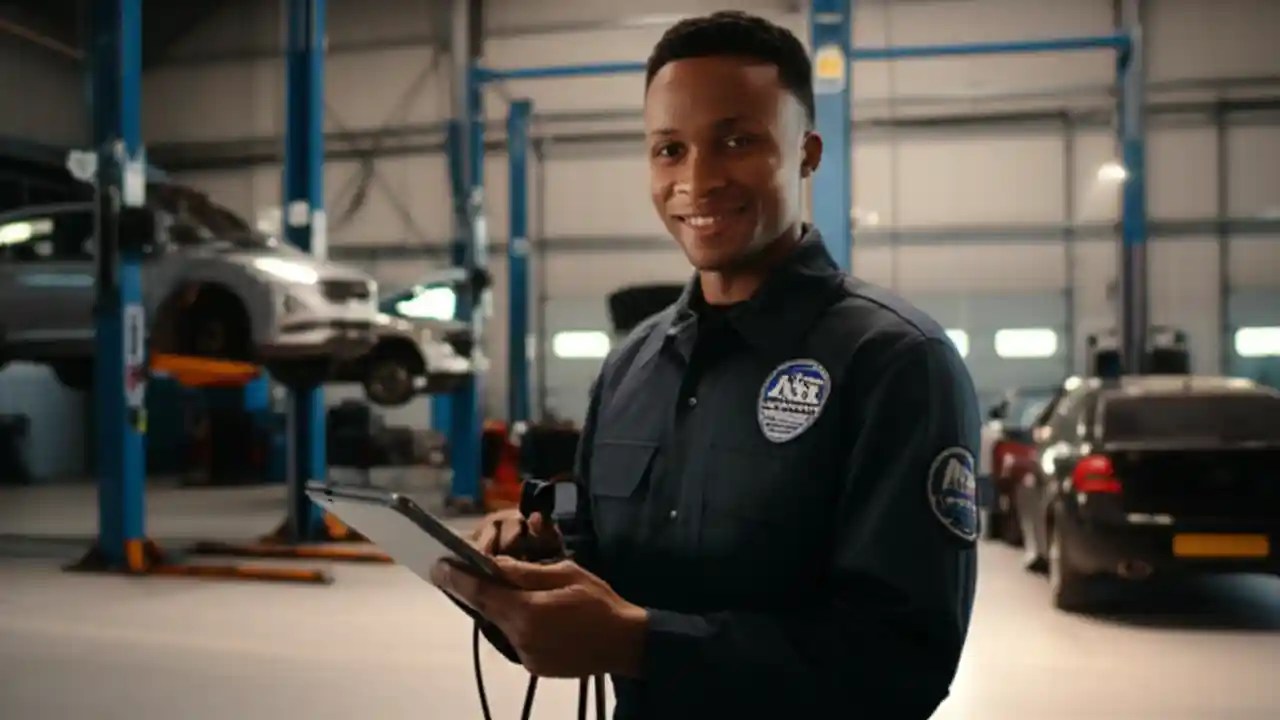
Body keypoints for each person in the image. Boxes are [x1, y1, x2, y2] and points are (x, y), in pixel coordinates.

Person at [431, 10, 980, 719]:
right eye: (669, 149)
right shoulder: (632, 366)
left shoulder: (896, 363)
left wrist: (640, 644)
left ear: (808, 152)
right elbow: (594, 557)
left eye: (736, 141)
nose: (698, 179)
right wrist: (530, 562)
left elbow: (902, 664)